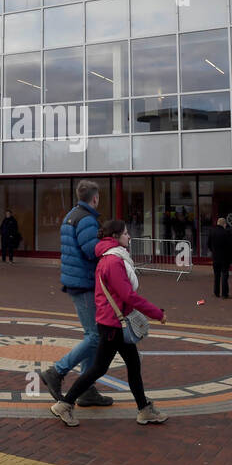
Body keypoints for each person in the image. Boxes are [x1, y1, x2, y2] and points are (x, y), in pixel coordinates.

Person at [50, 219, 167, 427]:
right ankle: (65, 404)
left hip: (112, 322)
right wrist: (157, 313)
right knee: (99, 368)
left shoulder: (110, 258)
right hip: (114, 325)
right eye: (125, 233)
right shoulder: (113, 261)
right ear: (115, 237)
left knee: (130, 364)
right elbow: (128, 295)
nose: (129, 236)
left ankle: (144, 409)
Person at [38, 180, 112, 409]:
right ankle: (57, 371)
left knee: (93, 335)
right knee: (94, 336)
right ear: (95, 198)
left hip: (75, 281)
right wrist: (109, 245)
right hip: (85, 283)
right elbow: (91, 251)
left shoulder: (71, 215)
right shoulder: (87, 220)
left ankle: (87, 388)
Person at [207, 216, 232, 299]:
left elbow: (208, 244)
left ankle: (216, 292)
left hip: (215, 257)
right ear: (224, 224)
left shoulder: (212, 232)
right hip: (225, 257)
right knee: (225, 275)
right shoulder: (226, 233)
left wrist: (213, 251)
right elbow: (230, 246)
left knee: (216, 275)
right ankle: (224, 293)